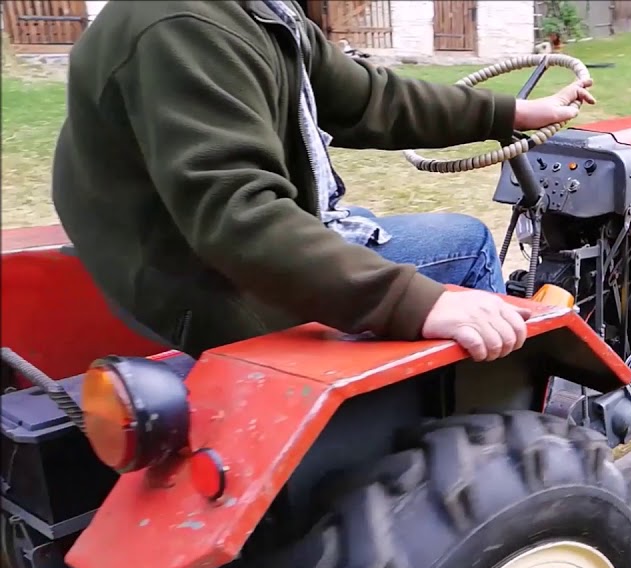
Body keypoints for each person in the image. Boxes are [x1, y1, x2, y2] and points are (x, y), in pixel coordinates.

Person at [51, 0, 594, 362]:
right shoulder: (186, 27)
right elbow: (240, 215)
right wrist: (416, 302)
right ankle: (501, 430)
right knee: (468, 242)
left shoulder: (254, 12)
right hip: (204, 286)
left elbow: (366, 97)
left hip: (176, 257)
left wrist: (510, 113)